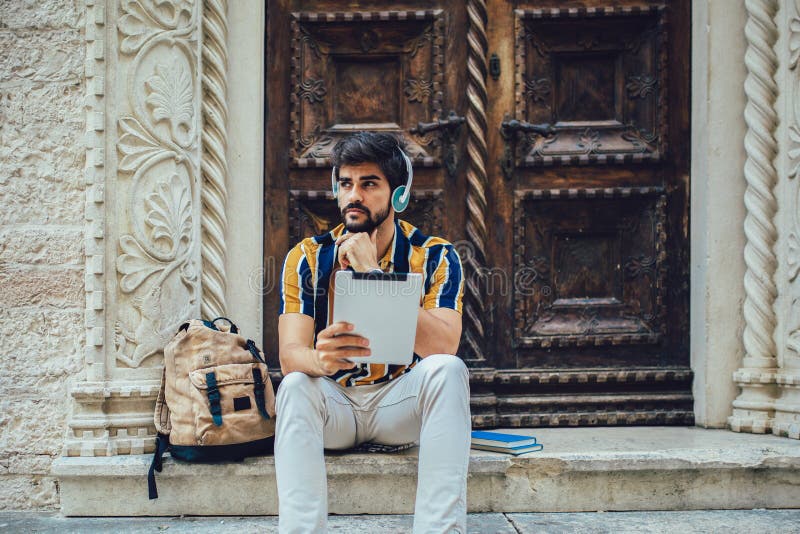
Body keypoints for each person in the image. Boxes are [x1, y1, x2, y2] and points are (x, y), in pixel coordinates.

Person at [275, 131, 471, 533]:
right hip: (335, 407)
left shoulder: (436, 255)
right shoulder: (307, 257)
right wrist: (319, 360)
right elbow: (290, 355)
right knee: (294, 385)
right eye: (346, 183)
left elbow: (443, 346)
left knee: (449, 372)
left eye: (369, 184)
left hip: (398, 406)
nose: (354, 196)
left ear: (398, 194)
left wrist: (373, 273)